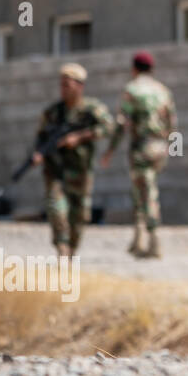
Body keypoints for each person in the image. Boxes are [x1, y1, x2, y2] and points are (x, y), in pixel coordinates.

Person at [30, 63, 114, 257]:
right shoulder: (52, 112)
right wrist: (37, 154)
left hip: (81, 171)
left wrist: (81, 137)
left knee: (79, 216)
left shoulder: (91, 109)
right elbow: (40, 138)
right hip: (55, 170)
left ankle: (71, 251)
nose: (63, 89)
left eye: (67, 85)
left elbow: (108, 128)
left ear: (80, 86)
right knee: (55, 208)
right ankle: (61, 246)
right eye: (62, 85)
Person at [101, 51, 177, 259]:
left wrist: (109, 151)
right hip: (160, 147)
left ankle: (153, 242)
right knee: (143, 190)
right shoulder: (163, 90)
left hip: (141, 147)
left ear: (134, 68)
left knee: (146, 192)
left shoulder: (132, 90)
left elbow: (121, 124)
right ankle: (138, 239)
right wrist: (172, 148)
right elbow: (173, 123)